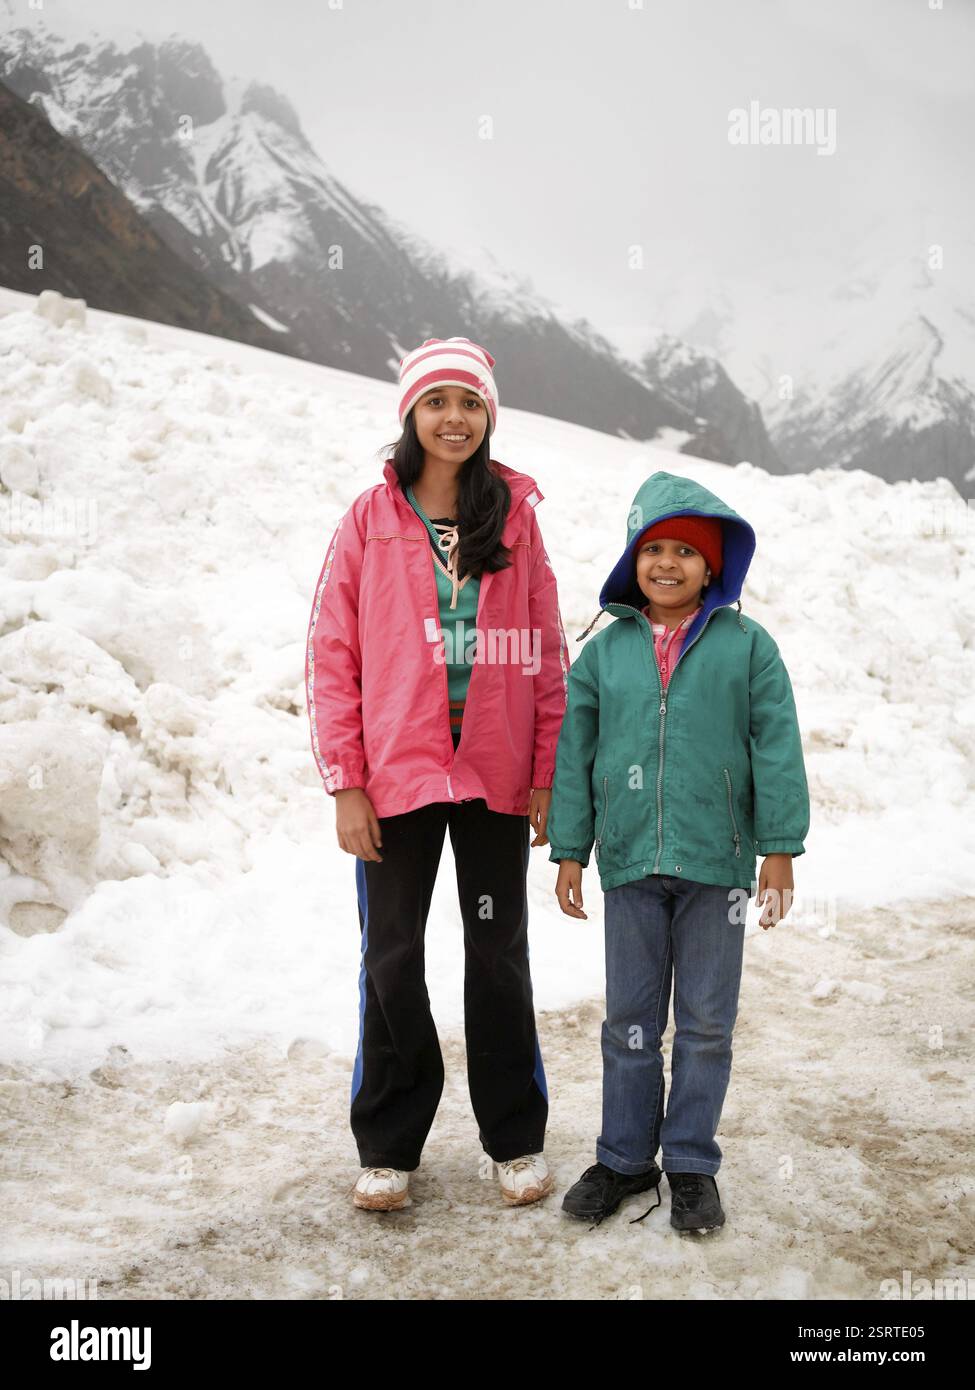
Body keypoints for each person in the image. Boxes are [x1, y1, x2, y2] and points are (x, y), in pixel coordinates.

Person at [305, 337, 569, 1211]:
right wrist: (347, 780)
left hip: (493, 778)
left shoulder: (516, 520)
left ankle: (514, 1138)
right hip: (395, 781)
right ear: (410, 416)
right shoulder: (369, 521)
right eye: (436, 402)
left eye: (469, 402)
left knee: (497, 954)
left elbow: (544, 652)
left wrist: (545, 774)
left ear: (488, 415)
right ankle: (388, 1145)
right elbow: (332, 652)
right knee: (391, 956)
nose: (454, 417)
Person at [546, 470, 810, 1232]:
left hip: (716, 864)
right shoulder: (604, 653)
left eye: (684, 552)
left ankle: (690, 1162)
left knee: (704, 1024)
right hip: (629, 862)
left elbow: (775, 746)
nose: (667, 564)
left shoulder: (747, 647)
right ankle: (624, 1158)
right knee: (629, 1021)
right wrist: (570, 847)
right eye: (652, 548)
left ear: (711, 566)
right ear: (633, 560)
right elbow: (575, 752)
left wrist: (778, 848)